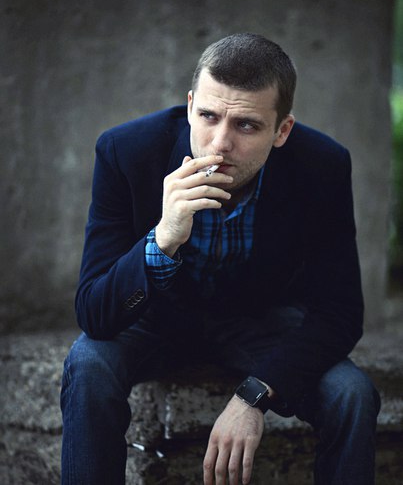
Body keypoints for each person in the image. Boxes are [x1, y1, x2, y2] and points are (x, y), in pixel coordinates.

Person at [61, 32, 380, 485]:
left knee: (352, 394)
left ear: (282, 131)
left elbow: (340, 313)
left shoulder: (322, 165)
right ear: (191, 105)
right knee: (88, 363)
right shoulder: (126, 152)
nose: (220, 143)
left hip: (257, 321)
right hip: (154, 319)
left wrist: (254, 395)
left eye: (246, 125)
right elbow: (94, 312)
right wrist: (163, 239)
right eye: (208, 116)